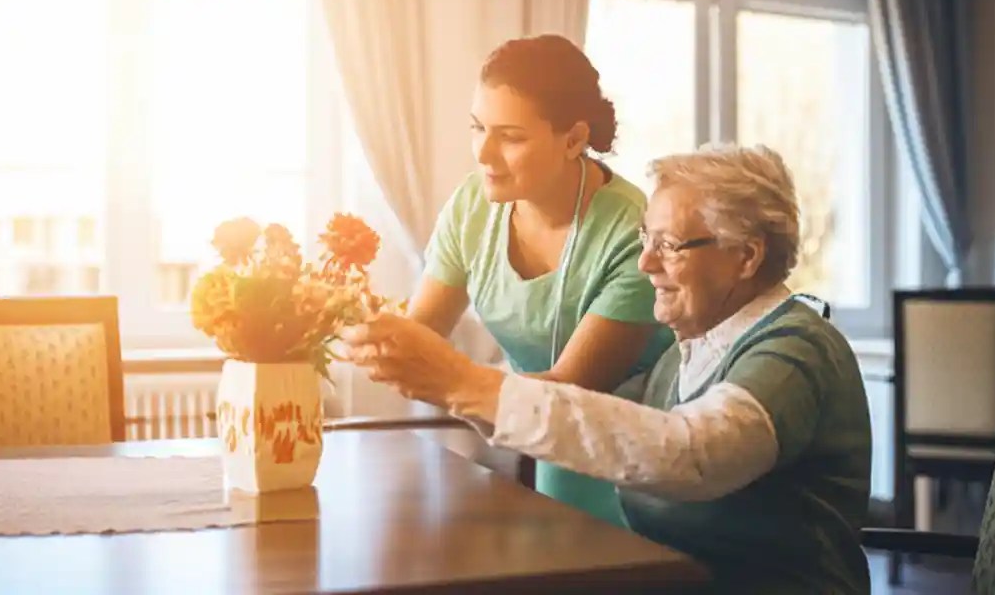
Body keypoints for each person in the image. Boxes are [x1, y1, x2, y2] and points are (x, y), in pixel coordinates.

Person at [344, 144, 872, 594]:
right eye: (646, 240)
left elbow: (692, 454)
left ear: (747, 257)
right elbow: (598, 420)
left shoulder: (795, 349)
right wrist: (450, 387)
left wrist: (465, 384)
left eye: (667, 245)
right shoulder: (682, 355)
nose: (645, 264)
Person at [404, 34, 675, 526]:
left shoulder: (634, 231)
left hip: (634, 456)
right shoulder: (471, 206)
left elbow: (568, 392)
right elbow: (417, 336)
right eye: (477, 127)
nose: (484, 154)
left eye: (510, 136)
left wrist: (439, 374)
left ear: (573, 139)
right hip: (543, 440)